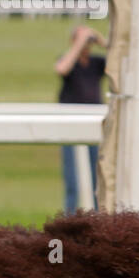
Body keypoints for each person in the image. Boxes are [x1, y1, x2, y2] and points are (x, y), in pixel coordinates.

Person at [54, 24, 107, 212]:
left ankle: (96, 218)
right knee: (72, 178)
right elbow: (62, 69)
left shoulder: (96, 63)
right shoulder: (69, 60)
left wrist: (99, 38)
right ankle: (70, 217)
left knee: (97, 177)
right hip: (70, 123)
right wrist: (78, 45)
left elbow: (120, 57)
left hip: (94, 123)